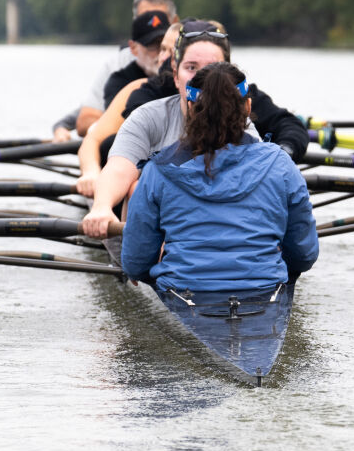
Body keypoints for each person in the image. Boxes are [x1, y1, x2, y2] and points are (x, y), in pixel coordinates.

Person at [75, 19, 310, 229]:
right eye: (191, 68)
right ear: (175, 74)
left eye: (212, 68)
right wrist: (102, 207)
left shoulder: (245, 115)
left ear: (228, 73)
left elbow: (285, 134)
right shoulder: (147, 112)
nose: (204, 79)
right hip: (168, 224)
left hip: (219, 225)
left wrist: (282, 158)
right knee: (137, 187)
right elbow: (119, 168)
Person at [119, 61, 318, 292]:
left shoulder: (158, 169)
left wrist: (151, 271)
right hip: (263, 290)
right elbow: (305, 255)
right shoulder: (281, 164)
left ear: (191, 108)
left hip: (185, 290)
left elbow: (135, 263)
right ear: (247, 107)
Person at [50, 0, 177, 141]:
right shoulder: (118, 71)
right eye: (152, 46)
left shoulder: (192, 57)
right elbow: (86, 117)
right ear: (134, 47)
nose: (161, 55)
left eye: (164, 47)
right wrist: (96, 133)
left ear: (175, 22)